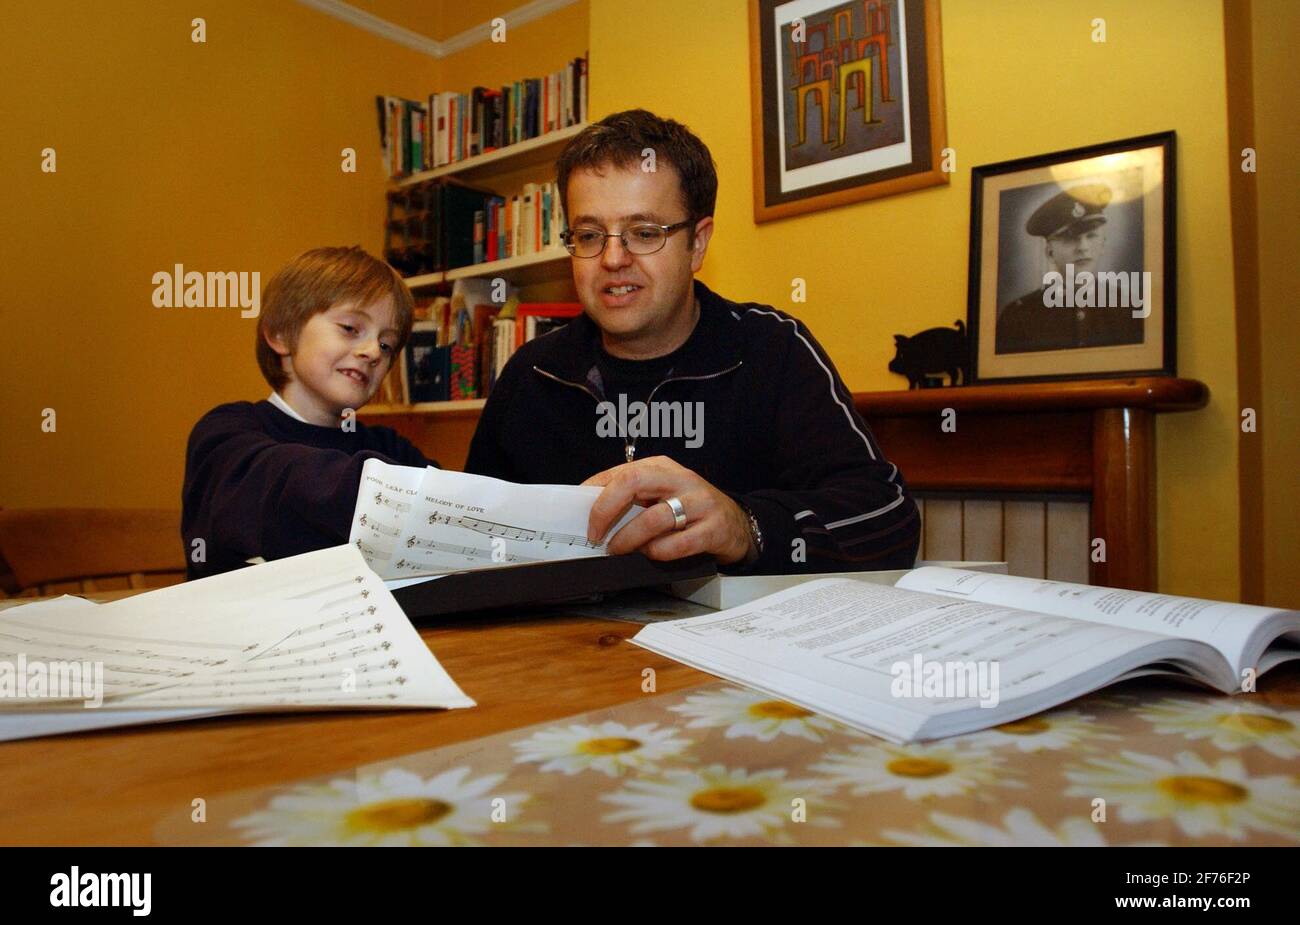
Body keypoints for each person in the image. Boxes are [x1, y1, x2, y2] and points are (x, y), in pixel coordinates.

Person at [466, 109, 919, 574]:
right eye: (589, 235)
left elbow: (890, 519)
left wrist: (746, 526)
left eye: (644, 233)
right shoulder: (531, 373)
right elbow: (465, 541)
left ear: (697, 244)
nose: (613, 258)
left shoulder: (773, 349)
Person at [181, 246, 434, 579]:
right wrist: (389, 492)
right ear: (280, 334)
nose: (373, 351)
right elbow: (281, 488)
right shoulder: (226, 431)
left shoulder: (389, 446)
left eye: (386, 345)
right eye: (350, 328)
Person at [995, 183, 1145, 354]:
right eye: (1070, 238)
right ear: (1050, 252)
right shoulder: (1018, 317)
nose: (1083, 247)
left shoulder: (1129, 307)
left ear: (1103, 244)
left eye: (1091, 236)